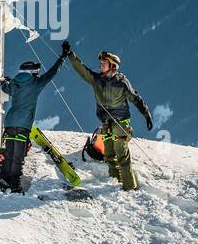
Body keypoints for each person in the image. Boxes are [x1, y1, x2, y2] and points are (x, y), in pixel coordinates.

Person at [64, 41, 152, 191]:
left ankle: (130, 188)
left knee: (122, 154)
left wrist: (146, 114)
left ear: (112, 65)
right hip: (106, 123)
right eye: (101, 62)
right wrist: (71, 55)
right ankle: (115, 183)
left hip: (121, 123)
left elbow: (135, 98)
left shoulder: (122, 82)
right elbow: (81, 69)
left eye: (104, 63)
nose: (100, 65)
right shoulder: (97, 80)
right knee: (110, 154)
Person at [0, 52, 66, 193]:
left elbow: (5, 87)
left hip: (9, 123)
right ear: (33, 72)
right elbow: (52, 73)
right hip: (23, 125)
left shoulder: (14, 83)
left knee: (9, 153)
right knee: (18, 157)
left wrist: (4, 81)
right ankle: (15, 184)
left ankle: (3, 178)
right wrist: (63, 57)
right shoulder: (35, 83)